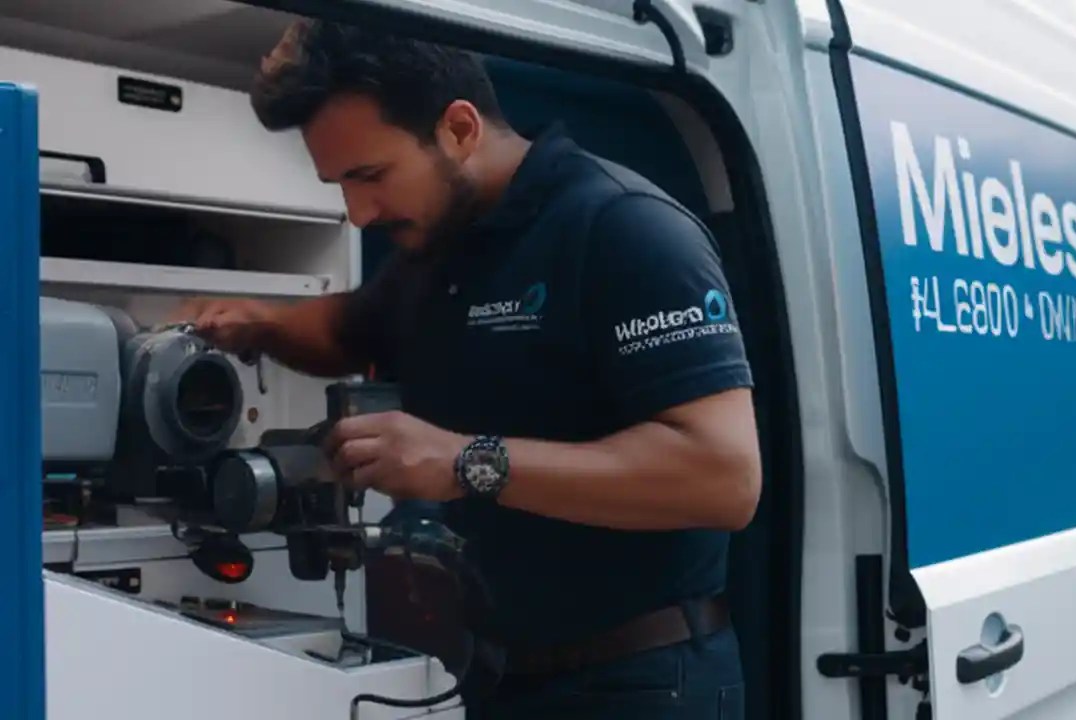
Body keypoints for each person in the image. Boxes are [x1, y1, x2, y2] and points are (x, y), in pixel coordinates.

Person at [174, 19, 760, 720]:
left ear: (458, 129)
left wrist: (463, 462)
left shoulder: (623, 229)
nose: (358, 213)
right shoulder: (438, 256)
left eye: (371, 175)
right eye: (339, 184)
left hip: (644, 682)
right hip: (502, 673)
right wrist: (259, 322)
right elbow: (345, 327)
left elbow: (723, 477)